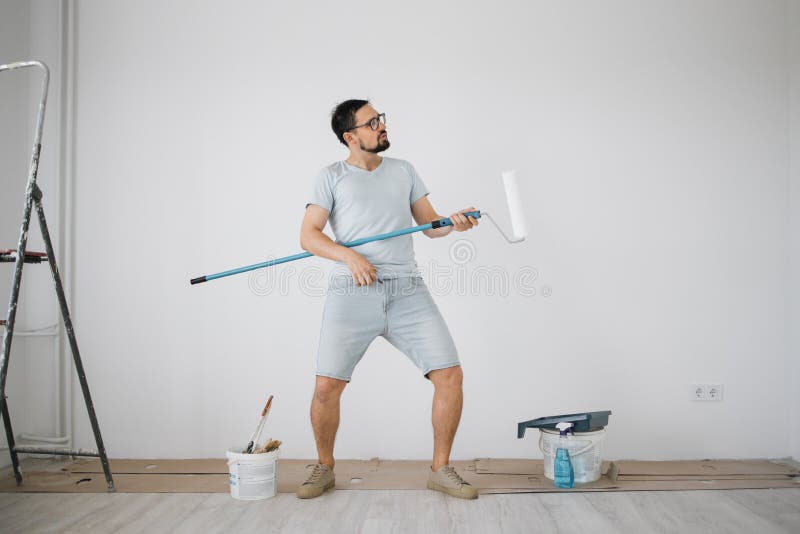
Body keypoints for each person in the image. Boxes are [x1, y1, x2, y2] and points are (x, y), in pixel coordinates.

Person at [297, 99, 479, 500]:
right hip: (353, 291)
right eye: (372, 122)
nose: (382, 126)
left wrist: (452, 222)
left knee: (450, 376)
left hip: (406, 290)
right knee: (327, 386)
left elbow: (430, 226)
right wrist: (349, 255)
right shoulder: (330, 177)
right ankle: (324, 468)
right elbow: (309, 235)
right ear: (350, 136)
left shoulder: (403, 170)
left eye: (381, 119)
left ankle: (441, 469)